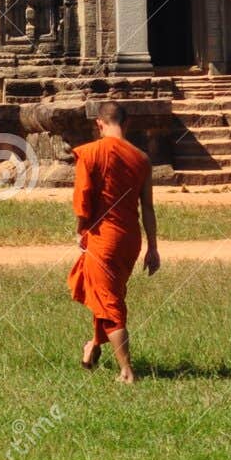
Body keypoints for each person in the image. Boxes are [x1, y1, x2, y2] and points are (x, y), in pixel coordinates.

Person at [69, 100, 158, 383]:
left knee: (110, 302)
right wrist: (153, 247)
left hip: (103, 237)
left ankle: (127, 371)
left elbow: (83, 198)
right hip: (131, 239)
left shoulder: (91, 153)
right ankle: (92, 346)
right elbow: (149, 207)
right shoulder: (141, 158)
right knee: (106, 293)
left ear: (99, 123)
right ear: (126, 123)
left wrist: (80, 230)